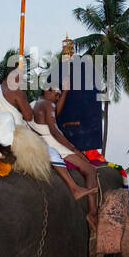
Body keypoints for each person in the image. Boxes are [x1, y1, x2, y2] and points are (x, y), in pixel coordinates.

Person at [30, 87, 99, 223]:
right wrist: (74, 149)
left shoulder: (34, 104)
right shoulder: (48, 104)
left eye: (58, 96)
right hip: (52, 143)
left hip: (41, 142)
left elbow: (55, 112)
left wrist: (64, 93)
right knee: (90, 170)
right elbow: (55, 132)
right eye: (56, 94)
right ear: (46, 90)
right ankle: (92, 212)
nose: (56, 98)